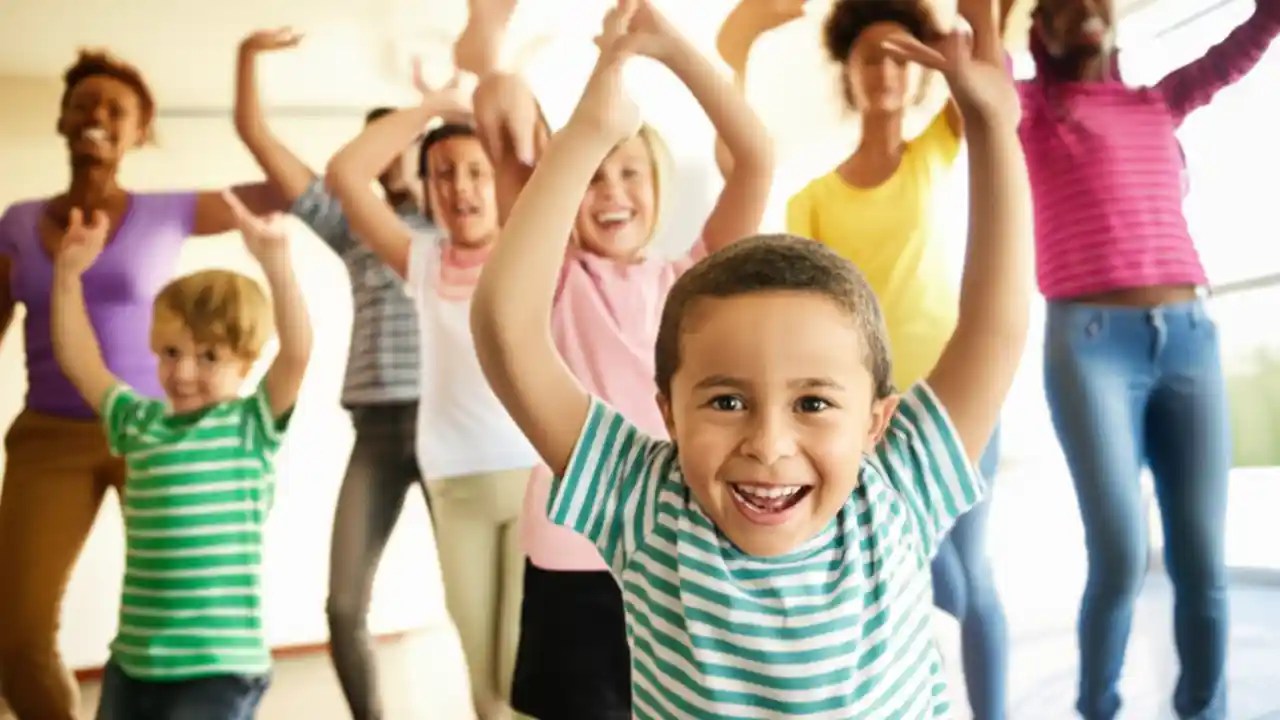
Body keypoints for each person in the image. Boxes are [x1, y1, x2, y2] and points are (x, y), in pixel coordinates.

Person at [471, 0, 1031, 715]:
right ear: (667, 410)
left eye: (814, 403)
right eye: (727, 401)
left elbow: (996, 327)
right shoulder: (647, 505)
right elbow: (505, 329)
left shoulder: (896, 485)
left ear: (875, 420)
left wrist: (992, 130)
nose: (768, 445)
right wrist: (590, 132)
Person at [466, 3, 774, 717]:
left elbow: (756, 155)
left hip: (676, 549)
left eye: (629, 173)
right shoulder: (553, 277)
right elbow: (495, 115)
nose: (610, 193)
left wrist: (671, 48)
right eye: (593, 179)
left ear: (659, 185)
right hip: (573, 553)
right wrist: (602, 71)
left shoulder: (693, 279)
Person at [719, 0, 1011, 715]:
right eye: (871, 55)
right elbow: (815, 321)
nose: (884, 68)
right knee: (925, 571)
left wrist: (974, 24)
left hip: (957, 402)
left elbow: (993, 101)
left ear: (917, 75)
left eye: (898, 56)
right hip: (868, 420)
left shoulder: (938, 150)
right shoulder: (815, 199)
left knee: (971, 573)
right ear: (848, 71)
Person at [1001, 0, 1280, 717]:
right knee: (1121, 555)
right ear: (1039, 31)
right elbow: (982, 67)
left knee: (1201, 564)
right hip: (1091, 348)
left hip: (1190, 339)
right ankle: (1098, 707)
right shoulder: (1031, 110)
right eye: (1058, 5)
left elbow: (1243, 45)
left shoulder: (1159, 102)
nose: (1081, 9)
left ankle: (1204, 709)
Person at [0, 49, 284, 720]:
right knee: (13, 635)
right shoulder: (15, 221)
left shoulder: (170, 210)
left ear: (140, 129)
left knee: (190, 603)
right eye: (84, 103)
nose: (96, 116)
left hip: (159, 433)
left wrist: (246, 75)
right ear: (64, 118)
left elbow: (283, 190)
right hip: (50, 437)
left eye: (115, 109)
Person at [232, 28, 435, 720]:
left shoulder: (466, 229)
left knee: (482, 602)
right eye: (375, 153)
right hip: (375, 431)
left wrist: (446, 101)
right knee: (344, 603)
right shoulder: (354, 228)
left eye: (401, 144)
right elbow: (258, 136)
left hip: (448, 431)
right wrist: (247, 61)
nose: (386, 162)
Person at [48, 192, 310, 720]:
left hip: (218, 666)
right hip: (134, 662)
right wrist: (68, 276)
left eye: (210, 356)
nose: (184, 372)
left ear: (245, 362)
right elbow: (79, 359)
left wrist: (277, 265)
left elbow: (299, 352)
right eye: (172, 353)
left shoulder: (250, 426)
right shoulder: (138, 423)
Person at [325, 78, 537, 720]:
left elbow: (543, 149)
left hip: (537, 484)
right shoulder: (420, 261)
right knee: (487, 685)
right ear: (427, 188)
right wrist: (434, 108)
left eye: (476, 171)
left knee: (526, 674)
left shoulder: (535, 249)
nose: (461, 188)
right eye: (443, 174)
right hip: (458, 489)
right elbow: (346, 173)